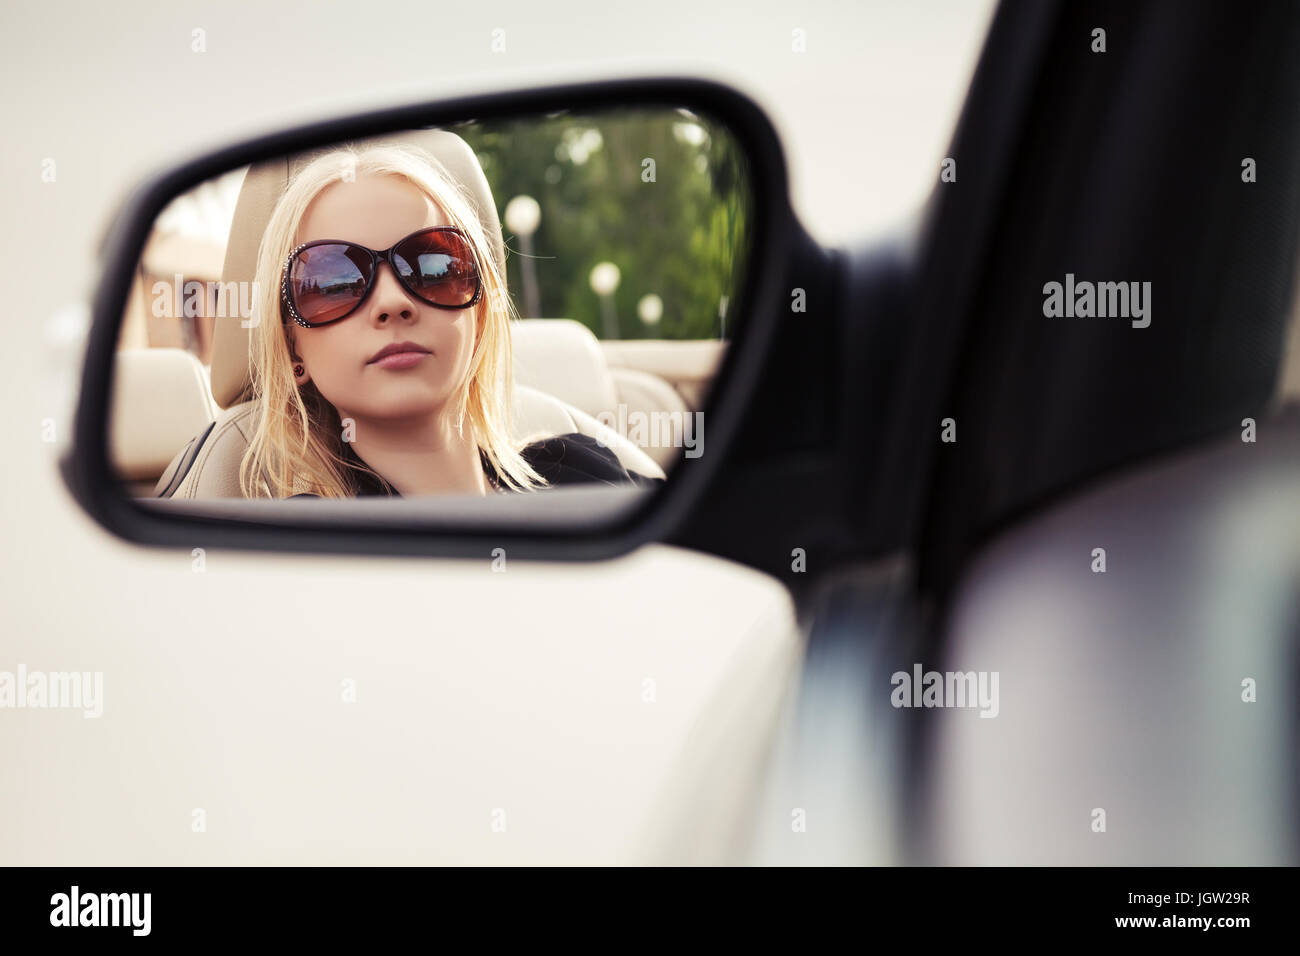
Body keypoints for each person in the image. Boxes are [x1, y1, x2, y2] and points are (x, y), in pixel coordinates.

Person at [236, 143, 658, 498]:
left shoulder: (584, 472)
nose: (392, 301)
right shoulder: (304, 545)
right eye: (334, 282)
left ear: (479, 311)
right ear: (291, 344)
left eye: (433, 267)